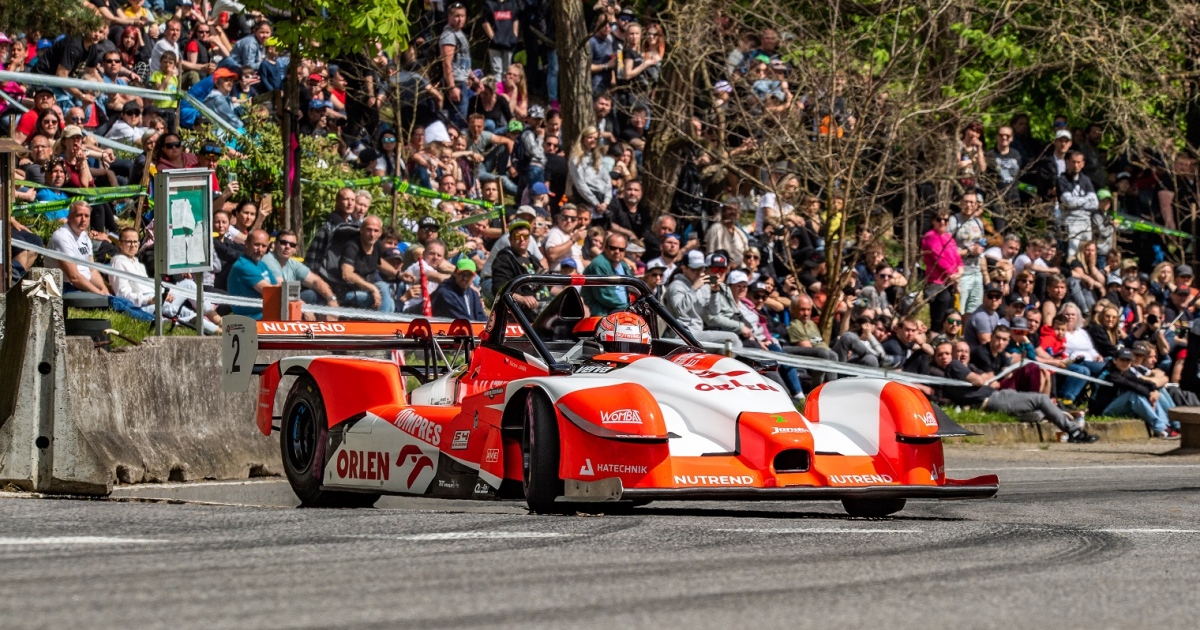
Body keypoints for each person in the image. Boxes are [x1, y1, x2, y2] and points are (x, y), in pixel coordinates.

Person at [930, 341, 1097, 442]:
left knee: (1039, 405)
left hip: (997, 394)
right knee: (1040, 399)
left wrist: (985, 377)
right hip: (990, 400)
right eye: (958, 351)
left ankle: (1034, 415)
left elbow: (993, 383)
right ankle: (1075, 432)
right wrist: (984, 377)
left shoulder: (965, 367)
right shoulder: (954, 365)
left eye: (966, 351)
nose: (962, 354)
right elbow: (980, 381)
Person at [1092, 348, 1180, 439]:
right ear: (1115, 360)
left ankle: (1174, 425)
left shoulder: (1126, 372)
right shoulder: (1110, 373)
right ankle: (1161, 429)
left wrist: (1154, 390)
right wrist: (1150, 394)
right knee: (1134, 394)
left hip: (1118, 406)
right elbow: (1131, 385)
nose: (1125, 363)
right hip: (1103, 411)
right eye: (1122, 359)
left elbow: (1141, 382)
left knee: (1156, 392)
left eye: (1128, 360)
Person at [662, 249, 742, 348]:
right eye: (694, 269)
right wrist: (694, 288)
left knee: (728, 344)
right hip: (681, 335)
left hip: (697, 333)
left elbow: (713, 313)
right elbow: (680, 311)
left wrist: (714, 292)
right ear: (684, 269)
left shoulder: (703, 286)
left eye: (701, 269)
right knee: (732, 338)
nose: (699, 273)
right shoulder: (676, 285)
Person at [263, 230, 338, 313]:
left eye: (292, 245)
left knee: (316, 295)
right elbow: (281, 288)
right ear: (275, 244)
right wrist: (304, 308)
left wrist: (331, 299)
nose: (287, 246)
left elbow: (315, 281)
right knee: (311, 296)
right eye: (283, 243)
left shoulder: (292, 263)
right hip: (271, 305)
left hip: (287, 303)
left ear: (295, 249)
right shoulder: (268, 259)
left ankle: (325, 324)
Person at [336, 216, 398, 312]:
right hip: (347, 293)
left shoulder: (376, 244)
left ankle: (382, 322)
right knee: (382, 295)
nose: (372, 234)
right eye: (369, 230)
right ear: (361, 230)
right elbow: (347, 274)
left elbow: (379, 262)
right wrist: (372, 288)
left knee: (391, 302)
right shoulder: (352, 245)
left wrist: (398, 274)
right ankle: (381, 323)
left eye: (376, 231)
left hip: (365, 289)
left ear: (380, 233)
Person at [46, 202, 109, 295]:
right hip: (64, 287)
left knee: (119, 301)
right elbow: (74, 277)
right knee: (119, 304)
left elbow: (92, 270)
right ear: (69, 217)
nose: (83, 219)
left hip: (83, 285)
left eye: (87, 216)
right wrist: (99, 293)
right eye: (79, 215)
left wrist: (105, 291)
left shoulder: (84, 236)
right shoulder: (62, 237)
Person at [491, 220, 548, 318]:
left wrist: (566, 290)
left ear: (529, 239)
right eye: (517, 236)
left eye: (525, 236)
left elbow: (548, 284)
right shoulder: (504, 259)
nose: (522, 239)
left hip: (546, 302)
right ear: (510, 239)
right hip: (527, 310)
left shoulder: (532, 258)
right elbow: (499, 289)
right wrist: (522, 298)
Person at [922, 212, 962, 331]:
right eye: (939, 219)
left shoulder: (949, 237)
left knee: (949, 317)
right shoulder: (930, 236)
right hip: (937, 282)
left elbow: (957, 257)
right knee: (938, 319)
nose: (943, 222)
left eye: (946, 219)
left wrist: (960, 270)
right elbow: (939, 259)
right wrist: (953, 275)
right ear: (933, 221)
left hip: (950, 282)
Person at [226, 229, 278, 319]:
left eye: (264, 246)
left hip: (268, 315)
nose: (260, 249)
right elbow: (272, 292)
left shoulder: (261, 264)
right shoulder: (243, 266)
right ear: (246, 243)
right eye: (256, 244)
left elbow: (277, 288)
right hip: (251, 320)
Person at [582, 233, 634, 316]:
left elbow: (633, 289)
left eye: (621, 249)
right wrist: (629, 308)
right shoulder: (599, 264)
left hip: (623, 310)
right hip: (603, 311)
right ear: (605, 248)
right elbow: (605, 297)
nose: (617, 252)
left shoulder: (624, 266)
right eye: (613, 248)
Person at [963, 282, 1005, 348]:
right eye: (990, 296)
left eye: (997, 296)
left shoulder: (995, 314)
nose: (994, 299)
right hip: (975, 355)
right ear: (984, 297)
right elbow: (986, 343)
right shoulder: (981, 316)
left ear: (1000, 300)